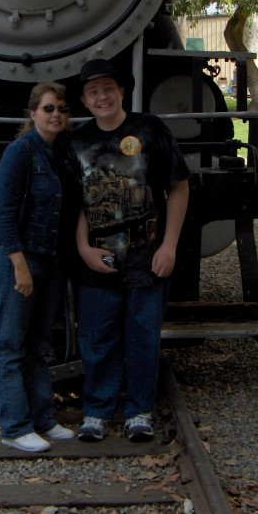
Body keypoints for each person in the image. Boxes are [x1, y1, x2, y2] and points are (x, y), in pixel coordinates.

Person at [70, 59, 190, 443]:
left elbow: (179, 186)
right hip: (98, 260)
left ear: (122, 91)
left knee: (142, 335)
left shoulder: (150, 129)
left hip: (147, 256)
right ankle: (97, 410)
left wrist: (169, 245)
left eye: (108, 88)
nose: (101, 96)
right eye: (93, 92)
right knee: (97, 336)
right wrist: (83, 248)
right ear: (86, 102)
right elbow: (77, 203)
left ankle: (139, 410)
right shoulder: (78, 141)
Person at [0, 81, 80, 453]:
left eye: (61, 108)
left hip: (52, 260)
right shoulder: (20, 152)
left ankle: (43, 418)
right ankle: (14, 426)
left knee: (40, 344)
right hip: (22, 260)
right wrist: (19, 265)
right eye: (48, 108)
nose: (56, 114)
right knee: (12, 343)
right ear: (32, 114)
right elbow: (3, 211)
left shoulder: (60, 153)